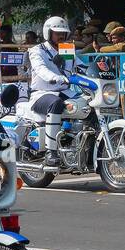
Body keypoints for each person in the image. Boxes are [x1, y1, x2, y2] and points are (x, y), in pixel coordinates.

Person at [28, 15, 77, 167]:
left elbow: (80, 64)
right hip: (42, 93)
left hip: (65, 91)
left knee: (86, 104)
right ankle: (51, 152)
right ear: (48, 33)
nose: (61, 36)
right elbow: (40, 69)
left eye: (63, 33)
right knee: (56, 103)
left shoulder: (67, 49)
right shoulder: (37, 50)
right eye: (57, 33)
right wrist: (55, 77)